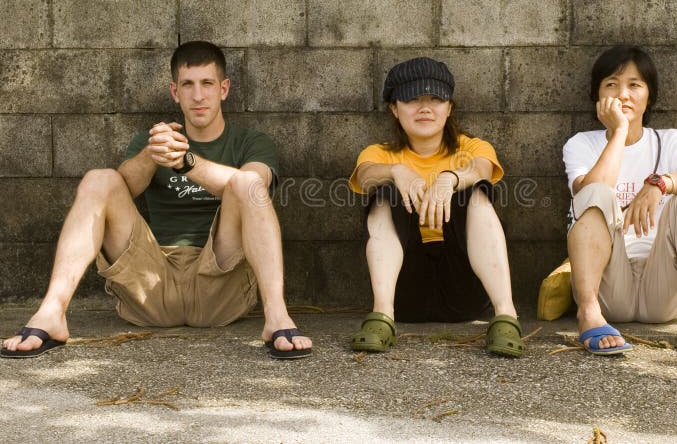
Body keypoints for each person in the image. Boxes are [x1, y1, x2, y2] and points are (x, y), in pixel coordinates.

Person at [1, 41, 312, 360]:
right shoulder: (151, 143)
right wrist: (152, 155)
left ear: (224, 89)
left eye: (207, 83)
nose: (198, 96)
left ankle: (277, 318)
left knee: (246, 183)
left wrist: (186, 163)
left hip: (220, 283)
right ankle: (51, 314)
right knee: (98, 179)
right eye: (188, 85)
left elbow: (255, 186)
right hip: (150, 283)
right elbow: (119, 189)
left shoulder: (251, 142)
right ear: (175, 92)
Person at [348, 57, 524, 358]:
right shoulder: (379, 153)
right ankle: (381, 316)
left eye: (435, 99)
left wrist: (450, 178)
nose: (425, 108)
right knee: (384, 193)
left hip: (464, 288)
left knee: (476, 192)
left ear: (449, 107)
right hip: (405, 292)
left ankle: (507, 315)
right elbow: (365, 177)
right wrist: (396, 171)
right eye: (412, 99)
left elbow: (481, 169)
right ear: (394, 109)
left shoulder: (472, 148)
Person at [563, 45, 677, 363]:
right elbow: (592, 189)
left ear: (649, 95)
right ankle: (588, 314)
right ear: (597, 95)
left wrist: (659, 183)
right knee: (594, 193)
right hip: (609, 288)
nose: (623, 94)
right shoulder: (581, 144)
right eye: (612, 84)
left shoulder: (670, 140)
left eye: (634, 85)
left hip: (663, 288)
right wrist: (619, 133)